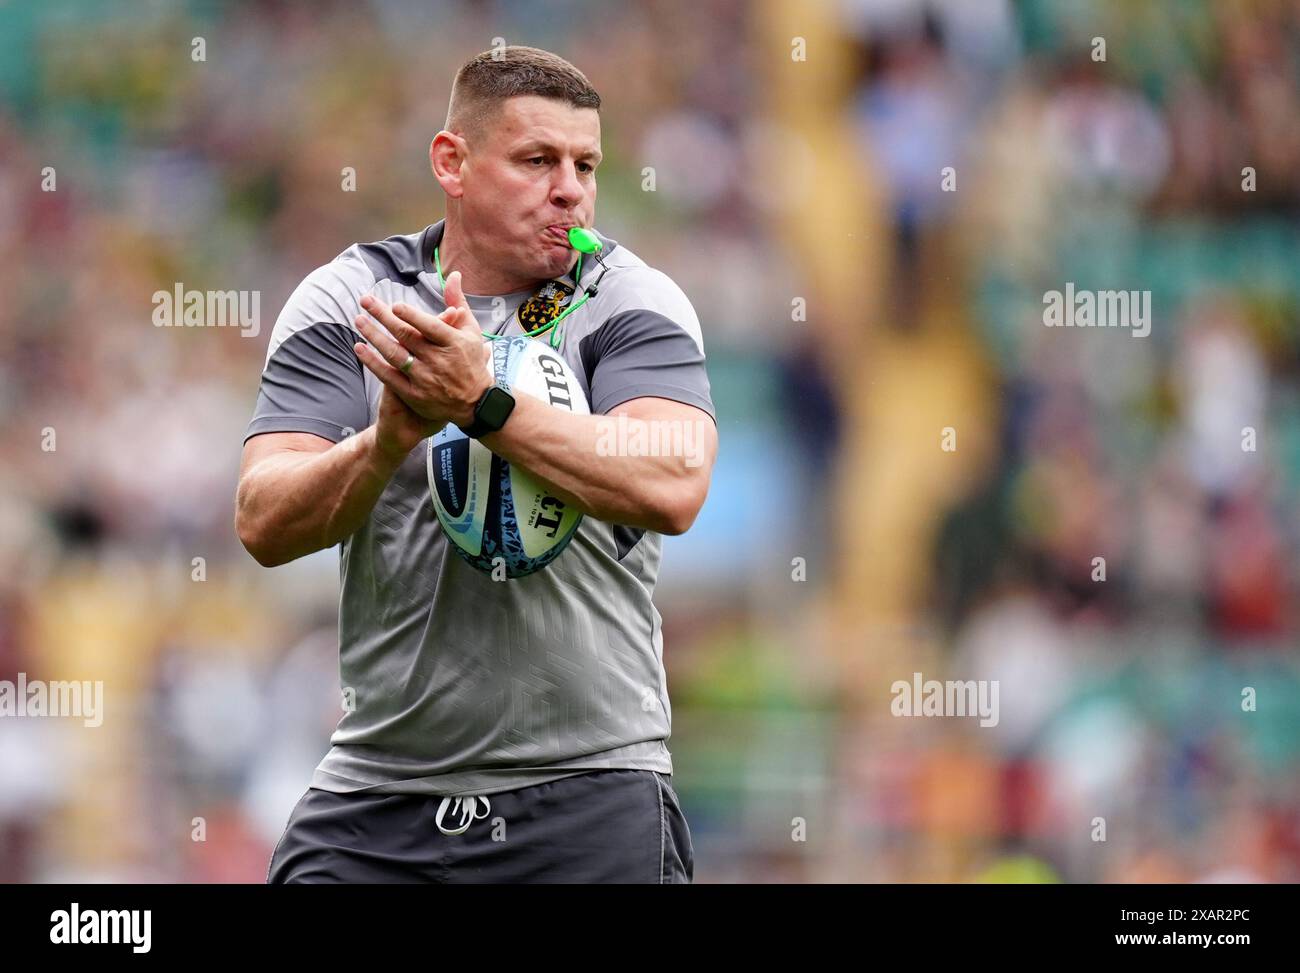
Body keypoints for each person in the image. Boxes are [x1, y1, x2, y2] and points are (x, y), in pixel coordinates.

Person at [235, 45, 717, 883]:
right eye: (537, 160)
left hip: (588, 791)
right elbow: (263, 519)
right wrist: (386, 441)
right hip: (381, 795)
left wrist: (482, 403)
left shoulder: (628, 299)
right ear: (452, 163)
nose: (569, 189)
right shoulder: (354, 300)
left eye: (585, 165)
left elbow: (674, 481)